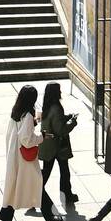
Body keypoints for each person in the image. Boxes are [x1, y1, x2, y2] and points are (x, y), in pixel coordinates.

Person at [0, 85, 63, 221]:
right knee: (37, 182)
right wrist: (42, 137)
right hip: (24, 159)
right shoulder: (27, 116)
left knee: (15, 187)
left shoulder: (16, 112)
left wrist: (34, 121)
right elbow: (27, 140)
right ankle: (50, 218)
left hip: (15, 156)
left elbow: (18, 132)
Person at [39, 82, 79, 213]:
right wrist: (72, 122)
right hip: (56, 147)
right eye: (59, 90)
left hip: (49, 146)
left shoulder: (48, 106)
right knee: (52, 172)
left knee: (59, 170)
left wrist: (66, 117)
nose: (61, 92)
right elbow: (60, 130)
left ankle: (67, 194)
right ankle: (35, 192)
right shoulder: (56, 107)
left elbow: (55, 121)